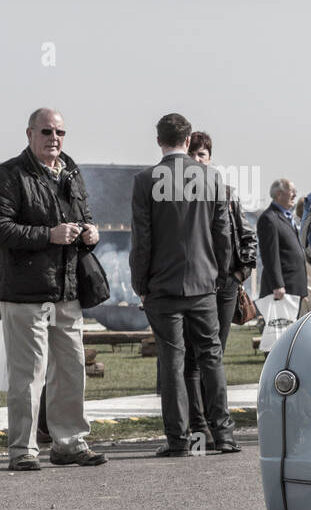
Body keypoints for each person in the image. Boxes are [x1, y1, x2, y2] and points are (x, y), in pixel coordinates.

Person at [0, 108, 106, 470]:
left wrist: (91, 233)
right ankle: (22, 450)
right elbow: (3, 228)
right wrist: (49, 235)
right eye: (46, 131)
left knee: (71, 369)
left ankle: (69, 443)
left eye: (60, 132)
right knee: (29, 375)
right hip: (26, 293)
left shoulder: (72, 172)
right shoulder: (10, 174)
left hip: (68, 290)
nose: (54, 138)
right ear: (30, 134)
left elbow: (85, 216)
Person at [130, 112, 237, 456]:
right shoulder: (213, 178)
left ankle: (180, 440)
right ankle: (224, 436)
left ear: (158, 140)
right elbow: (223, 234)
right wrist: (220, 274)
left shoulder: (146, 180)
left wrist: (139, 282)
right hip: (204, 284)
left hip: (162, 285)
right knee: (211, 358)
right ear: (189, 140)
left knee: (173, 362)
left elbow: (142, 239)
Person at [184, 131, 257, 445]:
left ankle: (216, 427)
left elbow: (247, 236)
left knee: (215, 355)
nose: (197, 160)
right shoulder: (174, 195)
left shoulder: (227, 193)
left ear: (210, 159)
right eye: (192, 155)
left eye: (202, 155)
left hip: (225, 285)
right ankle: (198, 426)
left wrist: (240, 273)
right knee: (194, 357)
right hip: (191, 286)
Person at [256, 178, 307, 302]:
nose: (295, 194)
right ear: (279, 194)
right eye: (292, 191)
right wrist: (277, 285)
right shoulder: (269, 218)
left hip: (295, 287)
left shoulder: (288, 217)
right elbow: (270, 255)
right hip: (283, 289)